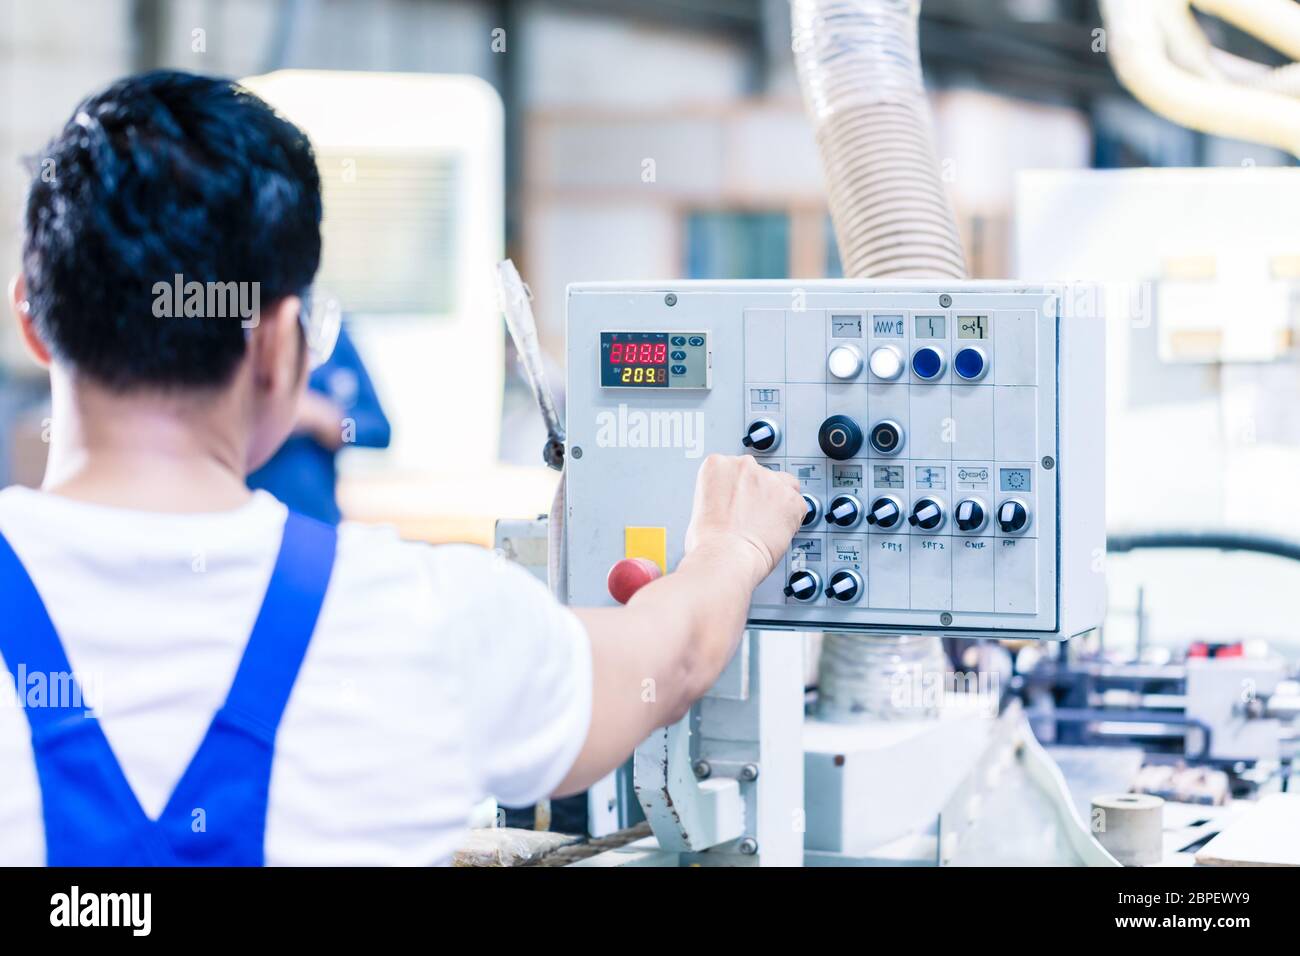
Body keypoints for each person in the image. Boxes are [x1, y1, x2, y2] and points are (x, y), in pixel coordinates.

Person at [0, 71, 804, 865]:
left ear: (32, 318)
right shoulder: (421, 619)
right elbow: (673, 656)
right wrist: (734, 549)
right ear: (283, 345)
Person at [247, 324, 390, 524]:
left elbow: (378, 431)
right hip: (248, 520)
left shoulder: (329, 332)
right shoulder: (235, 329)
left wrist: (333, 423)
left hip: (316, 521)